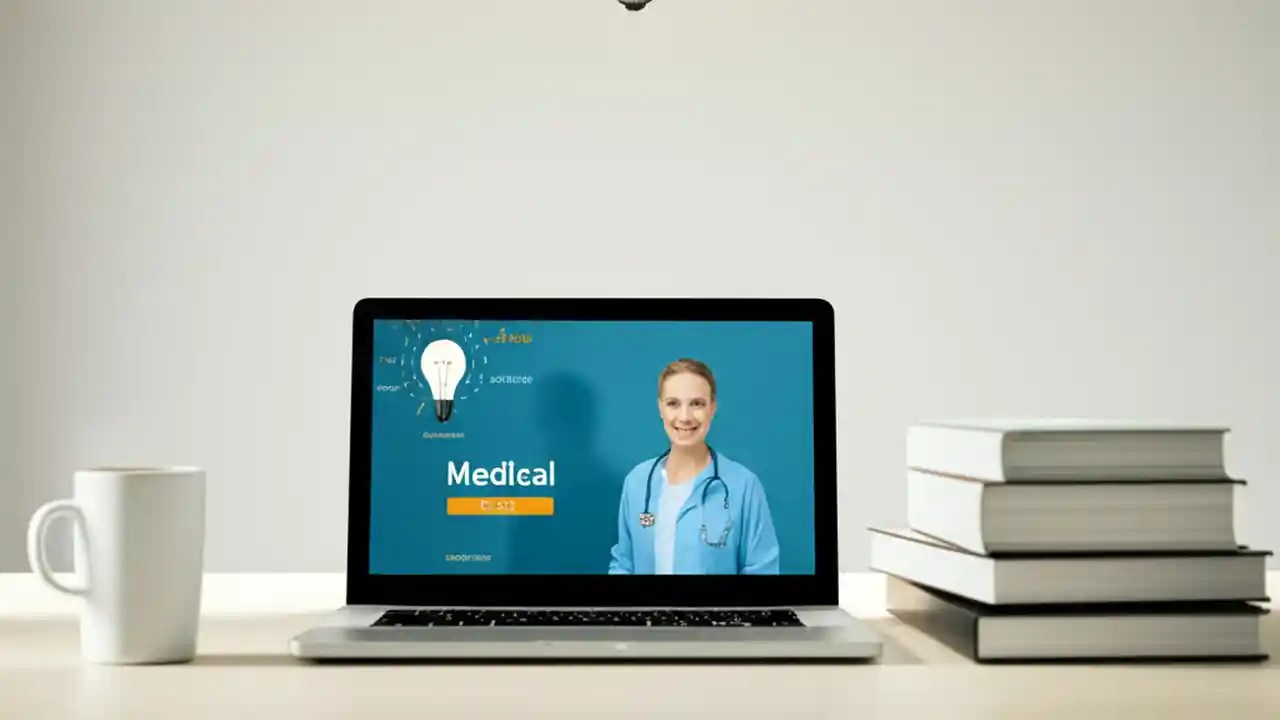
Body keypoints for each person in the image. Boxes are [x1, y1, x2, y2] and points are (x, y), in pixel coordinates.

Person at [608, 358, 780, 574]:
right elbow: (623, 564)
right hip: (649, 608)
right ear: (660, 407)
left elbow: (762, 574)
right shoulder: (637, 482)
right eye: (673, 403)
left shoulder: (744, 486)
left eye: (697, 404)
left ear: (712, 408)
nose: (685, 417)